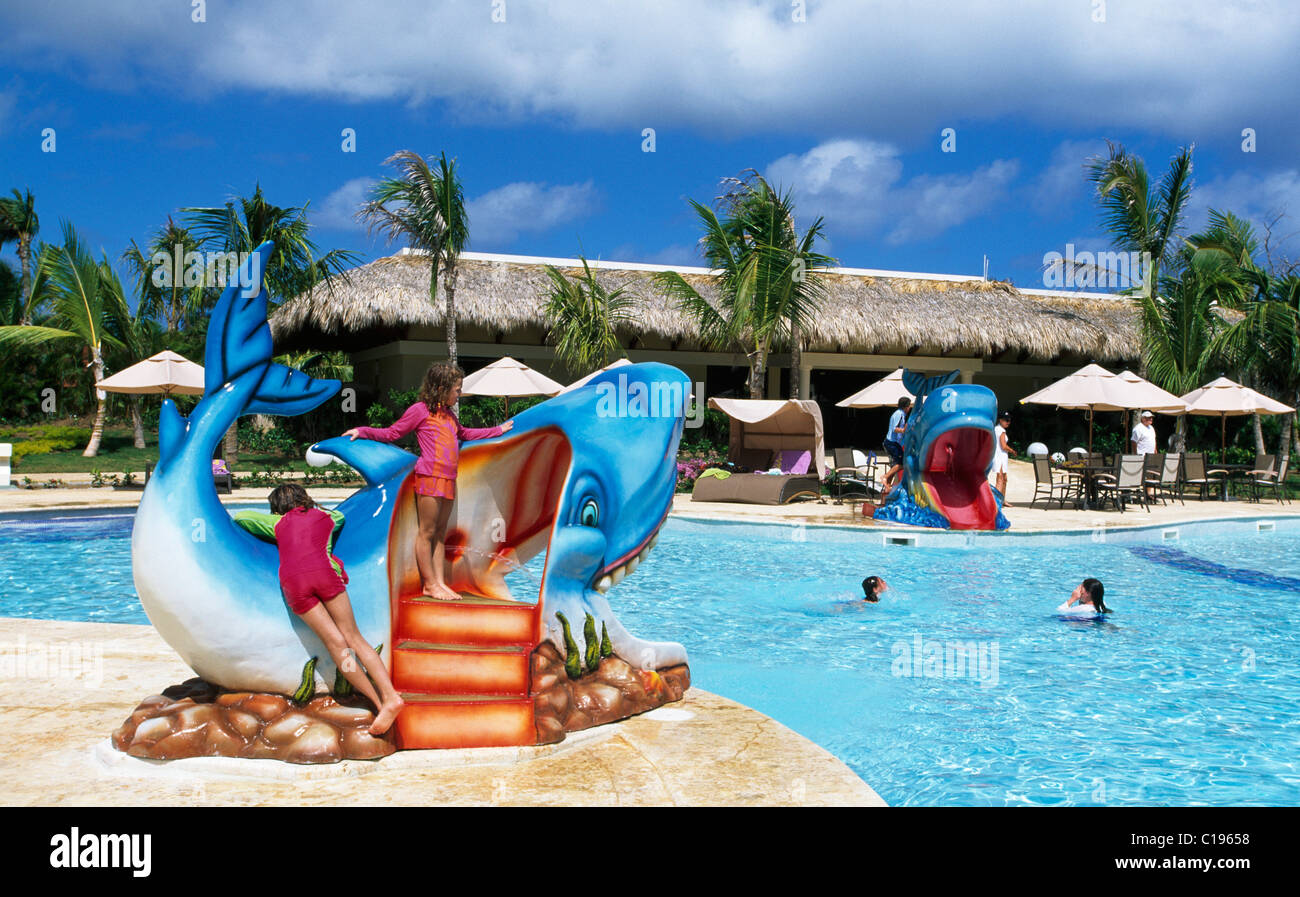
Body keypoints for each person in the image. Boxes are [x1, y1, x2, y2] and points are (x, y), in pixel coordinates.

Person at [345, 362, 514, 602]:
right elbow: (393, 433)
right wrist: (361, 431)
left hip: (448, 478)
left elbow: (465, 434)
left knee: (440, 533)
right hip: (430, 476)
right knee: (427, 532)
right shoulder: (420, 410)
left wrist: (498, 430)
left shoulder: (447, 414)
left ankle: (440, 582)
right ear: (441, 387)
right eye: (456, 389)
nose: (459, 394)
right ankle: (429, 584)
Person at [268, 483, 404, 735]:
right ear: (304, 498)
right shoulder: (325, 517)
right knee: (354, 638)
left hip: (294, 585)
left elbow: (243, 517)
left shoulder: (275, 524)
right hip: (324, 575)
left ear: (277, 508)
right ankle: (390, 696)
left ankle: (377, 704)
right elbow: (340, 517)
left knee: (335, 645)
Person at [880, 397, 912, 499]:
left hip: (893, 443)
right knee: (900, 464)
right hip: (891, 442)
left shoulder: (899, 413)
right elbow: (894, 429)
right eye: (909, 406)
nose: (909, 408)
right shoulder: (899, 414)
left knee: (895, 466)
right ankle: (884, 477)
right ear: (906, 407)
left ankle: (887, 489)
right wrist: (903, 430)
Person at [992, 411, 1017, 506]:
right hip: (1000, 456)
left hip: (999, 456)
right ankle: (997, 501)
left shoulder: (996, 429)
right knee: (1000, 479)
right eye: (1006, 420)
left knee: (1004, 478)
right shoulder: (1001, 430)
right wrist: (1012, 451)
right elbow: (1003, 446)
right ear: (1000, 420)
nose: (1008, 422)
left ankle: (1002, 500)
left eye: (1009, 420)